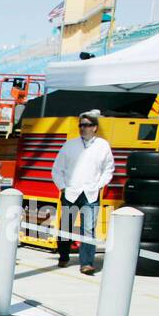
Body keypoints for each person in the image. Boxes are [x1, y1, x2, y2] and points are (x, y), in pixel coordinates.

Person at [50, 109, 114, 275]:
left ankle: (86, 263)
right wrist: (62, 186)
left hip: (91, 193)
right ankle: (63, 255)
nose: (83, 128)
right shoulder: (69, 145)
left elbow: (109, 169)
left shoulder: (103, 146)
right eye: (81, 125)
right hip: (71, 192)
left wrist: (100, 185)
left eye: (86, 125)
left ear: (95, 127)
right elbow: (57, 169)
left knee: (89, 230)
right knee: (66, 227)